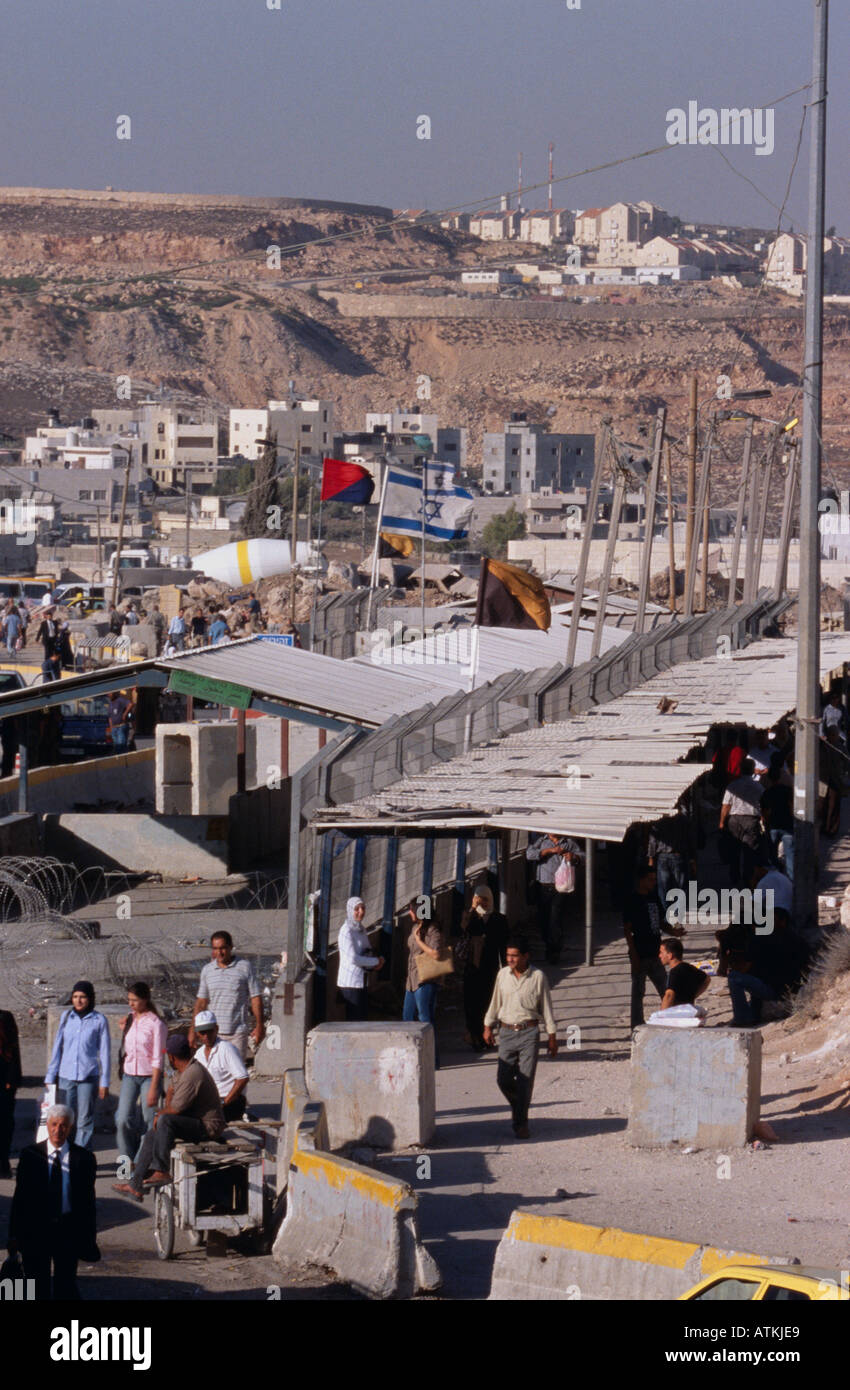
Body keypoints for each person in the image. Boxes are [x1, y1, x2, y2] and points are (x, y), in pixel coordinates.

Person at [111, 1034, 224, 1200]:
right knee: (152, 1134)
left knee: (165, 1120)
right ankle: (135, 1185)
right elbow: (172, 1102)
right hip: (194, 1121)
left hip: (208, 1127)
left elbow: (175, 1109)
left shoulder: (192, 1074)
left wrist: (160, 1114)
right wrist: (168, 1098)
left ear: (171, 1057)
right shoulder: (182, 1072)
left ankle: (161, 1170)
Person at [8, 1104, 99, 1299]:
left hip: (67, 1228)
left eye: (63, 1125)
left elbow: (88, 1202)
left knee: (65, 1284)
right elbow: (20, 1198)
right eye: (54, 1124)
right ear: (47, 1126)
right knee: (35, 1283)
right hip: (36, 1228)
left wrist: (89, 1236)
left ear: (71, 1127)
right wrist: (14, 1234)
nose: (58, 1130)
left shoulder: (84, 1158)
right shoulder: (31, 1156)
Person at [483, 936, 557, 1139]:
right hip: (506, 1033)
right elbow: (495, 1002)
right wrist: (488, 1026)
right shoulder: (502, 975)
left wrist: (552, 1036)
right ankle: (520, 1107)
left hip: (529, 1033)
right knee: (503, 1079)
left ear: (526, 956)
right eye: (508, 955)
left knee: (525, 1081)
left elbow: (547, 1008)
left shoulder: (538, 977)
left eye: (515, 956)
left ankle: (521, 1123)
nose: (510, 959)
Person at [45, 982, 110, 1150]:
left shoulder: (99, 1020)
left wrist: (104, 1082)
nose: (78, 1001)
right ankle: (65, 1152)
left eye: (82, 997)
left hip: (88, 1076)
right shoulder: (66, 1017)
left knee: (85, 1120)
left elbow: (104, 1053)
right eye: (75, 997)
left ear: (90, 998)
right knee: (64, 1118)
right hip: (66, 1076)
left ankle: (81, 1156)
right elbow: (57, 1047)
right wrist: (51, 1075)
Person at [114, 983, 167, 1170]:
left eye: (135, 1000)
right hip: (130, 1074)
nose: (131, 1004)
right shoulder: (130, 1019)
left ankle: (139, 1163)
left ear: (145, 1000)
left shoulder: (156, 1024)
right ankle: (126, 1164)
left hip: (148, 1076)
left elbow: (158, 1057)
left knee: (148, 1121)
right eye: (129, 1000)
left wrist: (154, 1086)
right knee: (122, 1119)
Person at [623, 863, 682, 1030]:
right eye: (650, 879)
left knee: (666, 990)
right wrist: (634, 955)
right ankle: (636, 1025)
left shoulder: (653, 897)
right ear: (641, 881)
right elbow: (628, 930)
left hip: (656, 953)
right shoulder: (632, 901)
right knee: (638, 993)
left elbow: (660, 923)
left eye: (654, 879)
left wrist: (674, 932)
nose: (653, 882)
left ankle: (671, 1019)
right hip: (640, 953)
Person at [193, 931, 264, 1059]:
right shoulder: (207, 970)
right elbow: (201, 1003)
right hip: (213, 1034)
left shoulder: (245, 967)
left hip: (237, 1034)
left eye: (223, 948)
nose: (219, 953)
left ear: (230, 947)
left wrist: (259, 1026)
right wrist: (193, 1030)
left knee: (237, 1075)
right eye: (215, 948)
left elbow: (255, 998)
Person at [457, 884, 507, 1051]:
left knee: (487, 1004)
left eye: (486, 900)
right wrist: (472, 908)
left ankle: (486, 1036)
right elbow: (463, 928)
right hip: (472, 968)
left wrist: (507, 969)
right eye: (480, 900)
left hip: (489, 968)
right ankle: (474, 1036)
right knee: (471, 1004)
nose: (483, 903)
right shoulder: (471, 917)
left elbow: (503, 946)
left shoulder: (499, 919)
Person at [525, 832, 584, 964]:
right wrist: (548, 851)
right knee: (544, 919)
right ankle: (549, 945)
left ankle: (554, 951)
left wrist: (573, 857)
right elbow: (529, 854)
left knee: (555, 918)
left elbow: (583, 857)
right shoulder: (541, 841)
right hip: (543, 886)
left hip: (560, 887)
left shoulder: (568, 842)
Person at [402, 901, 445, 1069]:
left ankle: (432, 1059)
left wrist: (420, 941)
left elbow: (435, 953)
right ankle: (412, 1055)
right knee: (407, 1017)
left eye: (412, 911)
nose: (409, 914)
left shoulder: (433, 930)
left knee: (425, 1019)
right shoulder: (415, 928)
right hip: (411, 979)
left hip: (425, 979)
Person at [193, 1011, 249, 1120]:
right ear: (197, 1033)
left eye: (210, 1031)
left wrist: (224, 1102)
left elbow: (242, 1078)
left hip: (230, 1102)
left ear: (216, 1029)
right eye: (202, 1033)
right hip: (210, 1102)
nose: (206, 1036)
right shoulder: (199, 1054)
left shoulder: (226, 1049)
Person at [336, 897, 384, 1021]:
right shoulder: (346, 931)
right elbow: (353, 958)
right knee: (354, 1020)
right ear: (350, 910)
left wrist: (379, 960)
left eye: (363, 908)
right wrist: (375, 962)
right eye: (356, 909)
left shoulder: (360, 928)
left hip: (361, 981)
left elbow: (368, 950)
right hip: (350, 983)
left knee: (361, 1019)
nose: (361, 912)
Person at [719, 758, 764, 885]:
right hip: (751, 820)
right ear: (752, 771)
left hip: (734, 820)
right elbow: (762, 805)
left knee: (734, 850)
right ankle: (747, 878)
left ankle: (734, 877)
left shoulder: (732, 786)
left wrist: (722, 822)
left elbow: (726, 805)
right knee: (750, 851)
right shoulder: (759, 787)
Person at [647, 812, 697, 908]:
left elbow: (653, 841)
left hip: (663, 856)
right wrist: (692, 860)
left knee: (664, 886)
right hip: (678, 856)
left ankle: (667, 910)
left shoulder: (658, 820)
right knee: (680, 886)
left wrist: (651, 858)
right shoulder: (683, 820)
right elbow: (690, 840)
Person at [760, 755, 795, 881]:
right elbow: (791, 807)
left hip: (773, 827)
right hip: (788, 826)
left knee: (772, 855)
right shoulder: (787, 789)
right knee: (790, 856)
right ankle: (791, 882)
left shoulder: (766, 793)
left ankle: (777, 878)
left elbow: (765, 812)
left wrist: (766, 822)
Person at [0, 1007, 22, 1177]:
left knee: (4, 1123)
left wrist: (12, 1079)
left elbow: (13, 1050)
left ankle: (3, 1163)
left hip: (4, 1079)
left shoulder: (5, 1017)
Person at [658, 938, 709, 1010]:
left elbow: (669, 995)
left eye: (661, 952)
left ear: (670, 955)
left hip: (678, 1014)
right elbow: (707, 979)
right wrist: (693, 995)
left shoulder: (674, 972)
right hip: (688, 1010)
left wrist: (661, 1016)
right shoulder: (688, 967)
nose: (659, 955)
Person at [35, 603, 61, 681]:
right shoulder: (43, 623)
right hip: (46, 639)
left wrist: (57, 637)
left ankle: (52, 662)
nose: (49, 617)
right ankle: (46, 663)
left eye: (50, 616)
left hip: (53, 639)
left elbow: (57, 630)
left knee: (52, 651)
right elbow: (40, 631)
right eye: (48, 616)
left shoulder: (54, 623)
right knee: (47, 651)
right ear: (46, 616)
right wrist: (37, 638)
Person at [106, 688, 134, 753]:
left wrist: (124, 714)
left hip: (121, 727)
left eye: (110, 693)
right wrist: (111, 728)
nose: (109, 695)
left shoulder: (120, 700)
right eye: (108, 693)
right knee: (116, 747)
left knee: (121, 745)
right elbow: (110, 717)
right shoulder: (110, 704)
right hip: (114, 728)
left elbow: (130, 704)